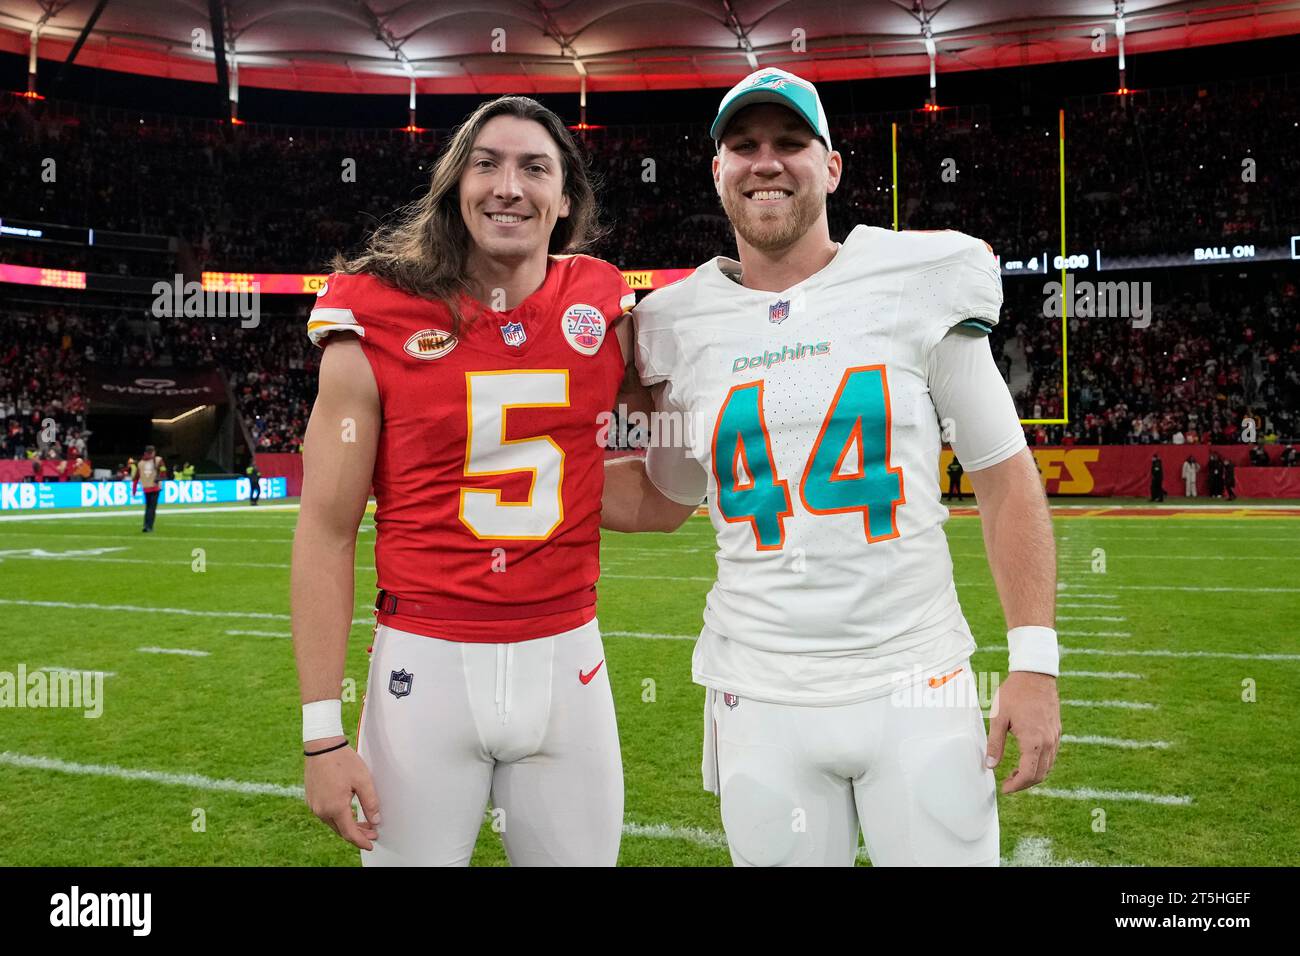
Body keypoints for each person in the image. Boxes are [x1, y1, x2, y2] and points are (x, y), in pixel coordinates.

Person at [603, 68, 1059, 867]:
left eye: (790, 142)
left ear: (833, 166)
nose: (766, 162)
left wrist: (1035, 663)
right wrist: (493, 476)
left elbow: (1002, 475)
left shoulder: (916, 279)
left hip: (916, 677)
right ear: (717, 170)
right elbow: (666, 497)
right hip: (758, 689)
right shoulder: (675, 322)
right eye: (744, 146)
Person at [292, 95, 637, 867]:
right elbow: (325, 529)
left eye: (534, 168)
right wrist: (321, 735)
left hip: (568, 660)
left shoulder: (601, 301)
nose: (508, 186)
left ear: (566, 200)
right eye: (486, 165)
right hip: (425, 667)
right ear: (456, 185)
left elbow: (668, 449)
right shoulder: (376, 312)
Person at [132, 445, 167, 532]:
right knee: (152, 508)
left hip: (146, 488)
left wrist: (134, 489)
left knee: (148, 507)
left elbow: (136, 477)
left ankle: (145, 525)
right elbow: (163, 470)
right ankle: (149, 526)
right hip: (155, 487)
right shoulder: (158, 460)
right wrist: (160, 477)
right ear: (153, 452)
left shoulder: (140, 463)